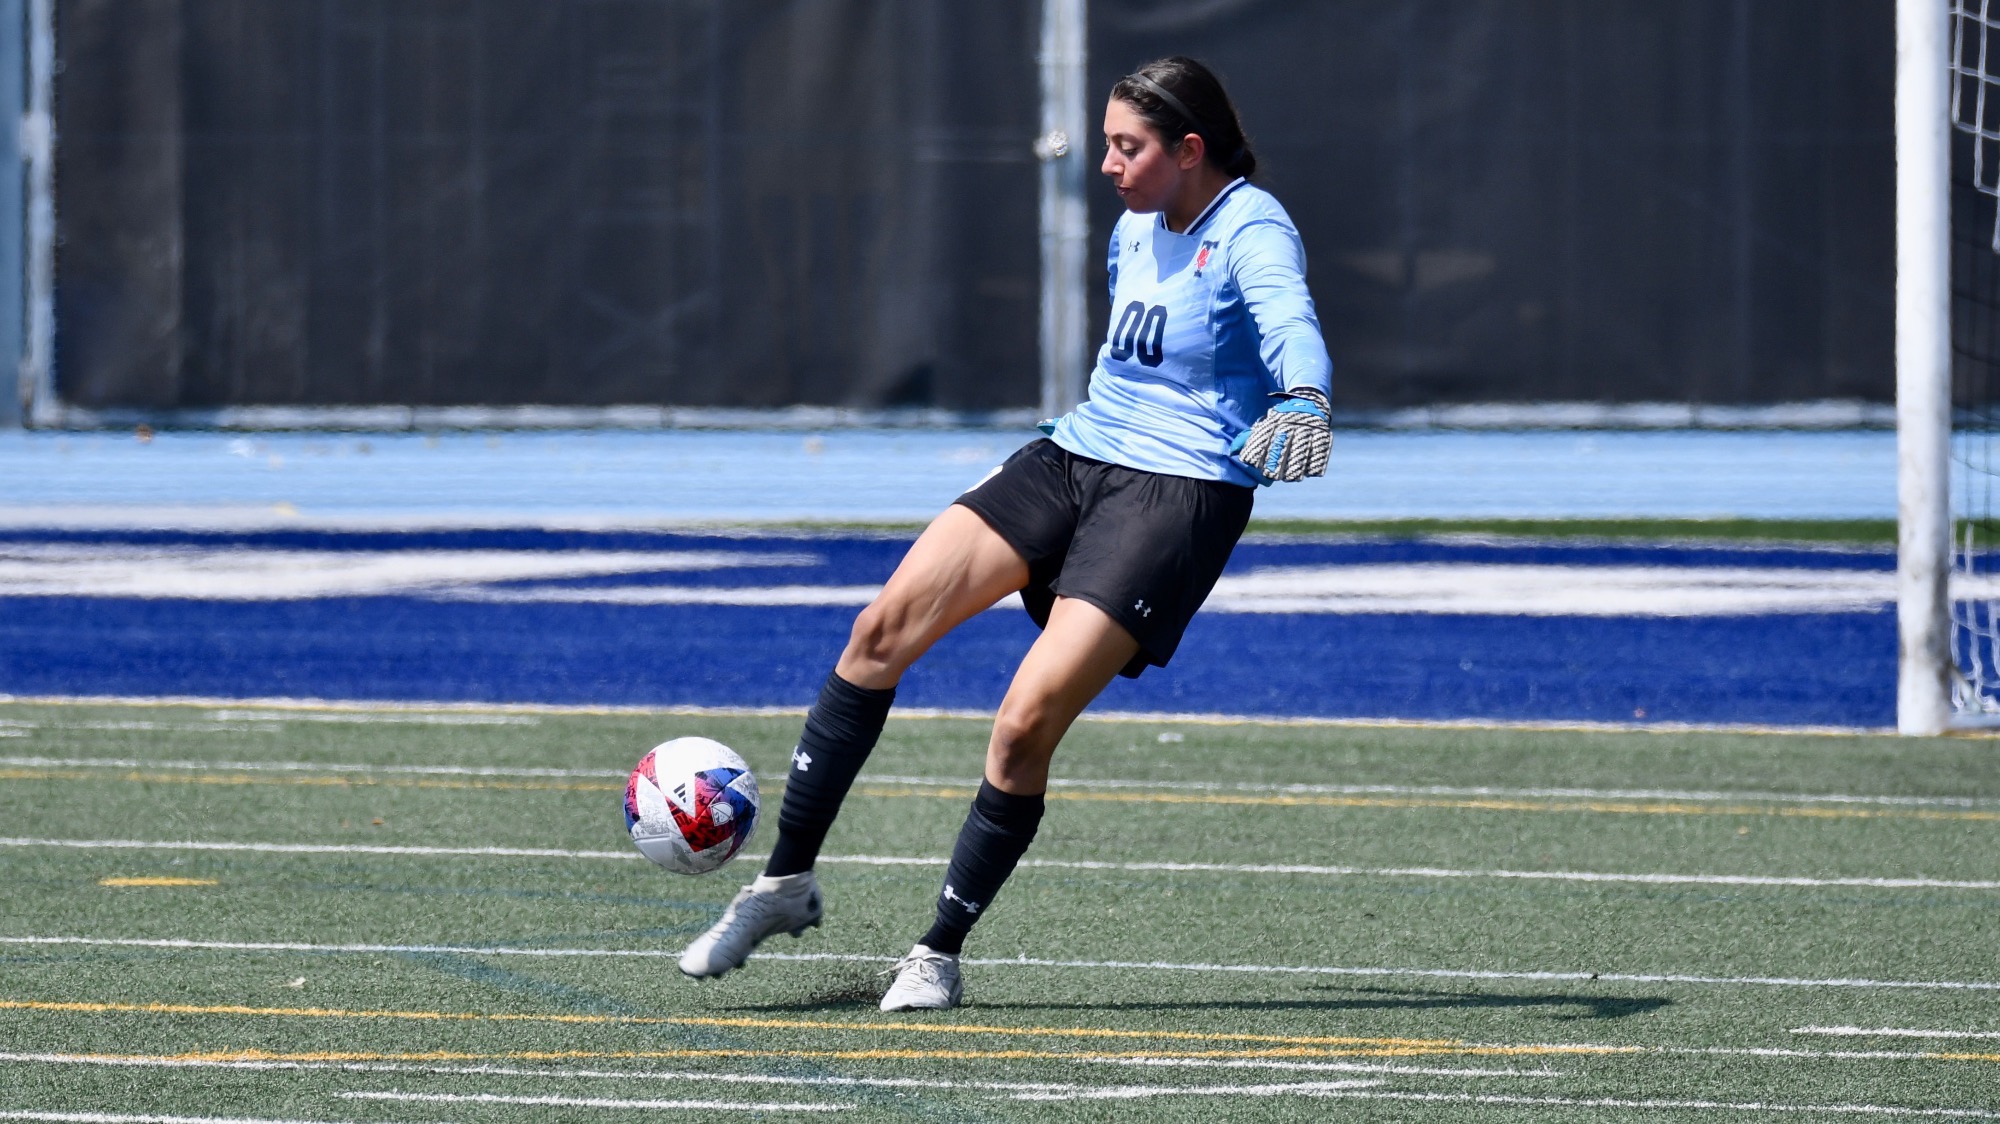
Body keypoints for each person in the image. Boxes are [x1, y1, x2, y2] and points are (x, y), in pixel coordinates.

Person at [677, 55, 1333, 1011]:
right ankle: (783, 883)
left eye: (1128, 146)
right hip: (1076, 453)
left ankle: (937, 951)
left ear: (1191, 151)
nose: (1108, 163)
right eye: (1107, 141)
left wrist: (1305, 393)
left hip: (1176, 495)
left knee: (1023, 727)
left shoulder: (1252, 226)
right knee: (878, 633)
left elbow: (1291, 320)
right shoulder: (1136, 226)